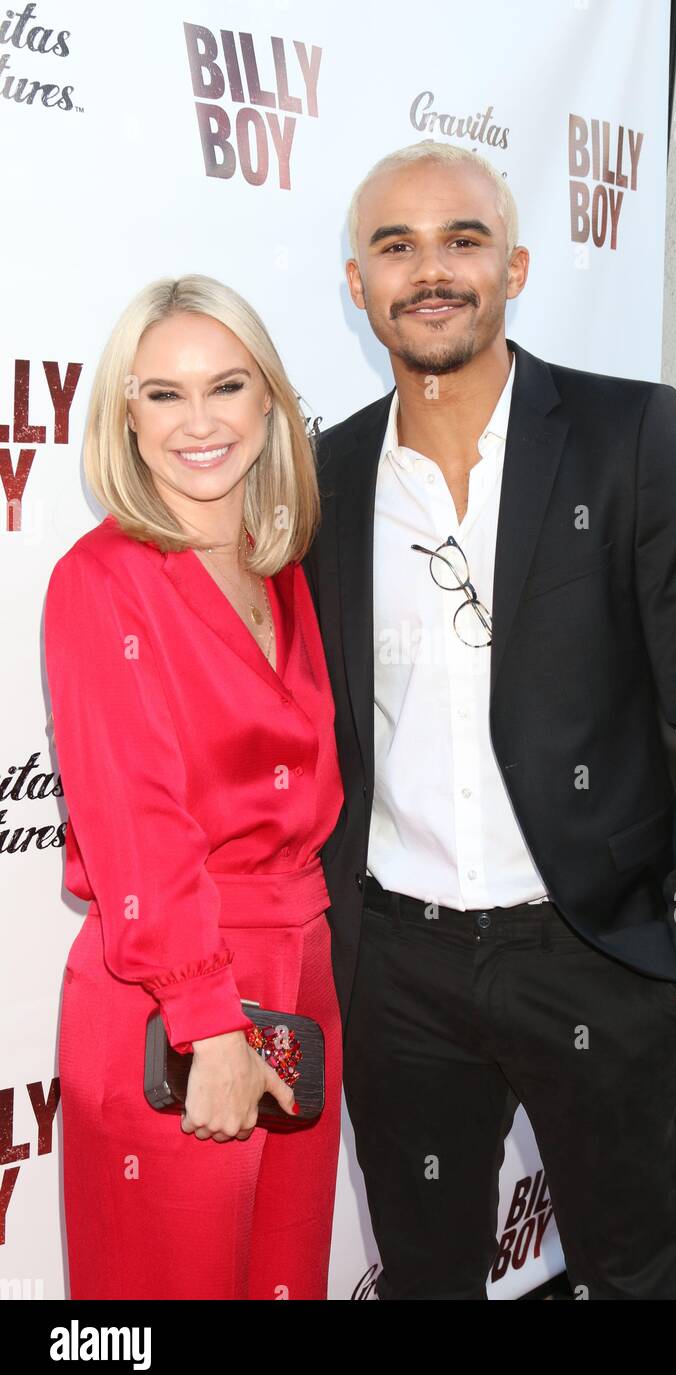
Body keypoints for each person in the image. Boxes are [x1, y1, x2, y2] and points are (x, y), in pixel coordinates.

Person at [303, 141, 676, 1300]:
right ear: (357, 283)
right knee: (425, 1279)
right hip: (398, 967)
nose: (430, 270)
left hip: (595, 955)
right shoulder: (328, 476)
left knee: (636, 1275)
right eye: (396, 246)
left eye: (461, 239)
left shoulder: (628, 434)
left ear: (511, 267)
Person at [44, 274, 344, 1300]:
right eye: (163, 393)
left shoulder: (280, 568)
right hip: (178, 999)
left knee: (285, 1277)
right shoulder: (103, 580)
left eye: (226, 385)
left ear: (270, 401)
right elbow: (135, 824)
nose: (199, 421)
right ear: (124, 415)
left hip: (300, 977)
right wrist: (208, 1021)